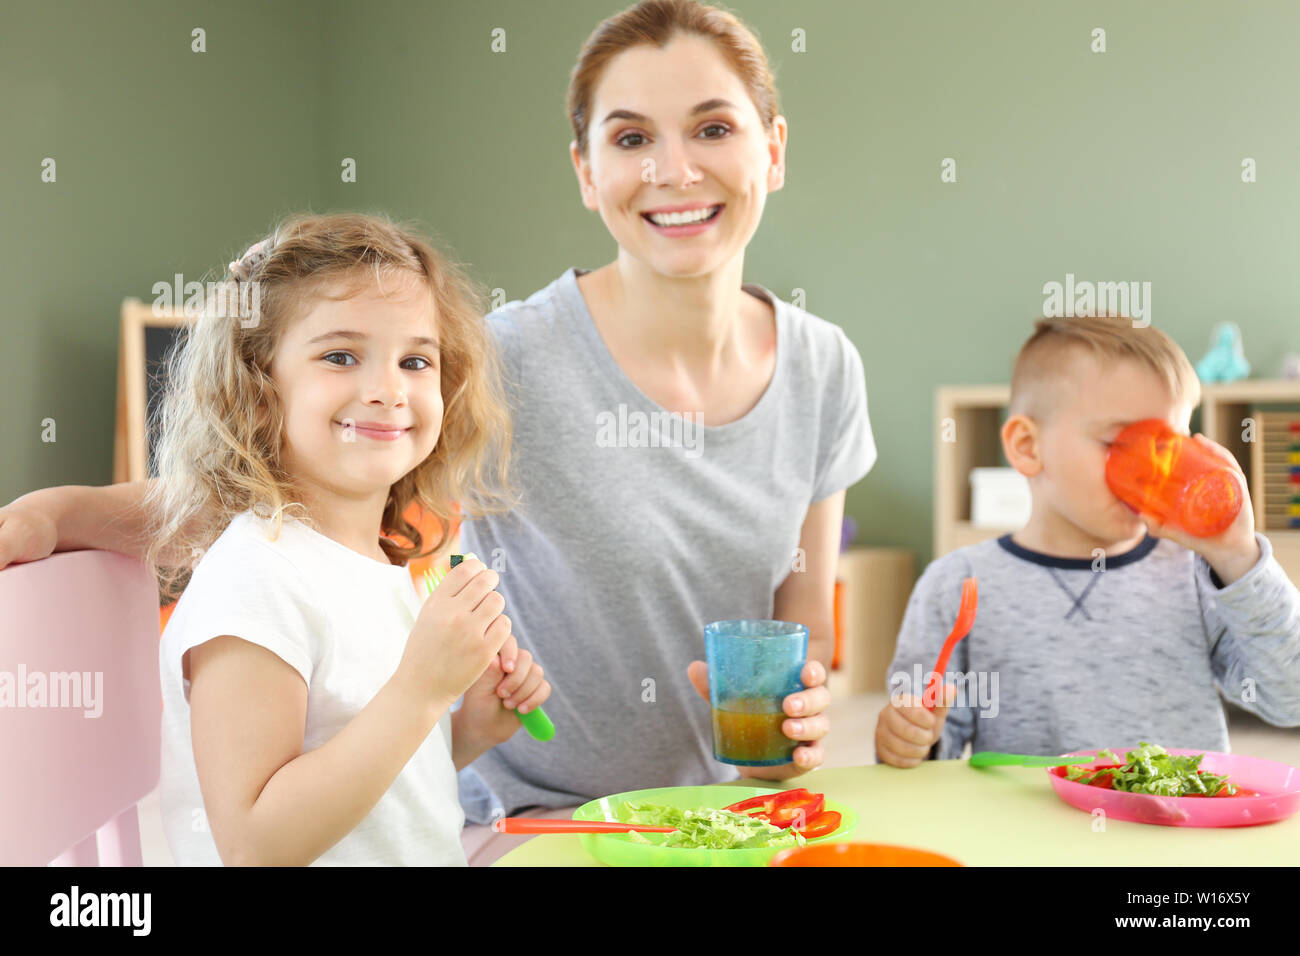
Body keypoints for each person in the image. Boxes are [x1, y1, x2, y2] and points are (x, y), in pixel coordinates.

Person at [0, 1, 873, 866]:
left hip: (719, 813)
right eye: (633, 138)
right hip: (541, 817)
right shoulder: (507, 358)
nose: (675, 170)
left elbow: (804, 624)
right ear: (585, 169)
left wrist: (801, 707)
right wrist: (64, 512)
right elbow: (269, 499)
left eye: (713, 128)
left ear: (774, 148)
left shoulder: (825, 367)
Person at [150, 211, 548, 864]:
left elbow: (373, 783)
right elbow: (257, 844)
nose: (389, 390)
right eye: (341, 355)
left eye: (415, 360)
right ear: (257, 390)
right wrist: (421, 691)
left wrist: (462, 727)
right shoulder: (255, 580)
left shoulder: (379, 561)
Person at [875, 315, 1300, 768]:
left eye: (1167, 446)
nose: (1152, 470)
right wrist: (908, 741)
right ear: (1027, 446)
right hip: (1028, 833)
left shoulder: (1197, 575)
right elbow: (928, 750)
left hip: (1177, 831)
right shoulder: (957, 584)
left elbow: (1289, 696)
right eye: (1122, 443)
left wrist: (1238, 556)